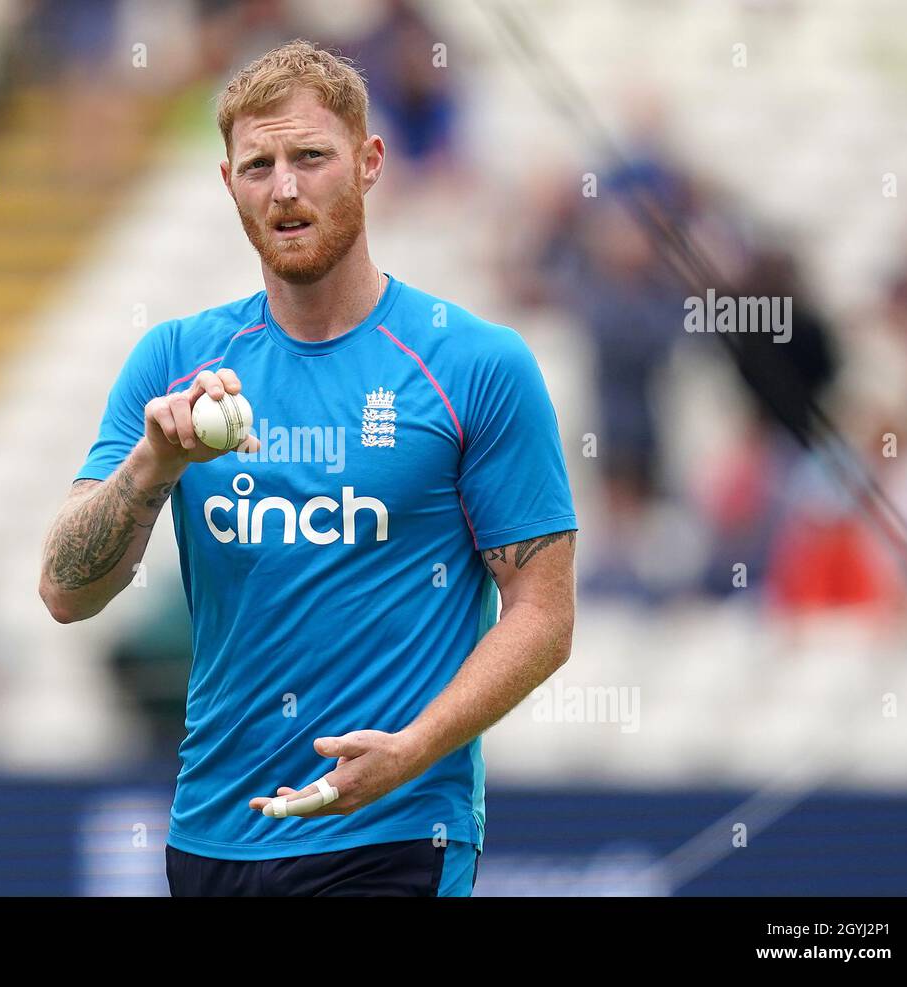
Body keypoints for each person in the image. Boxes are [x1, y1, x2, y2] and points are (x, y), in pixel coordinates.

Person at [39, 40, 577, 897]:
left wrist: (414, 749)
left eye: (310, 157)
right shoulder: (175, 360)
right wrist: (154, 465)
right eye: (257, 164)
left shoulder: (477, 363)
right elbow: (67, 590)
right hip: (213, 834)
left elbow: (544, 617)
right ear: (227, 185)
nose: (283, 187)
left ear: (368, 164)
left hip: (395, 828)